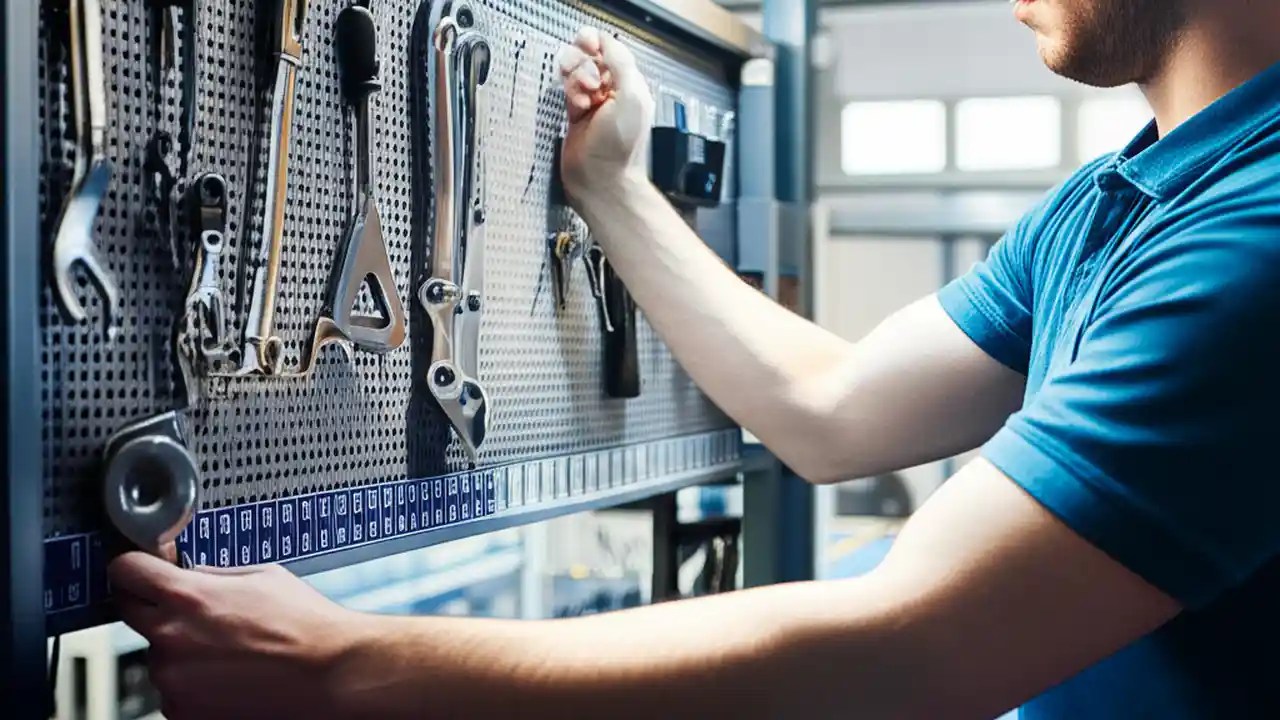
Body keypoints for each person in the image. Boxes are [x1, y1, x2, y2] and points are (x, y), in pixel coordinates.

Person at [109, 0, 1280, 717]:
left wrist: (345, 667)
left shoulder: (1255, 236)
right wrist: (611, 189)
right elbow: (831, 410)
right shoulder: (1121, 199)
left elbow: (912, 656)